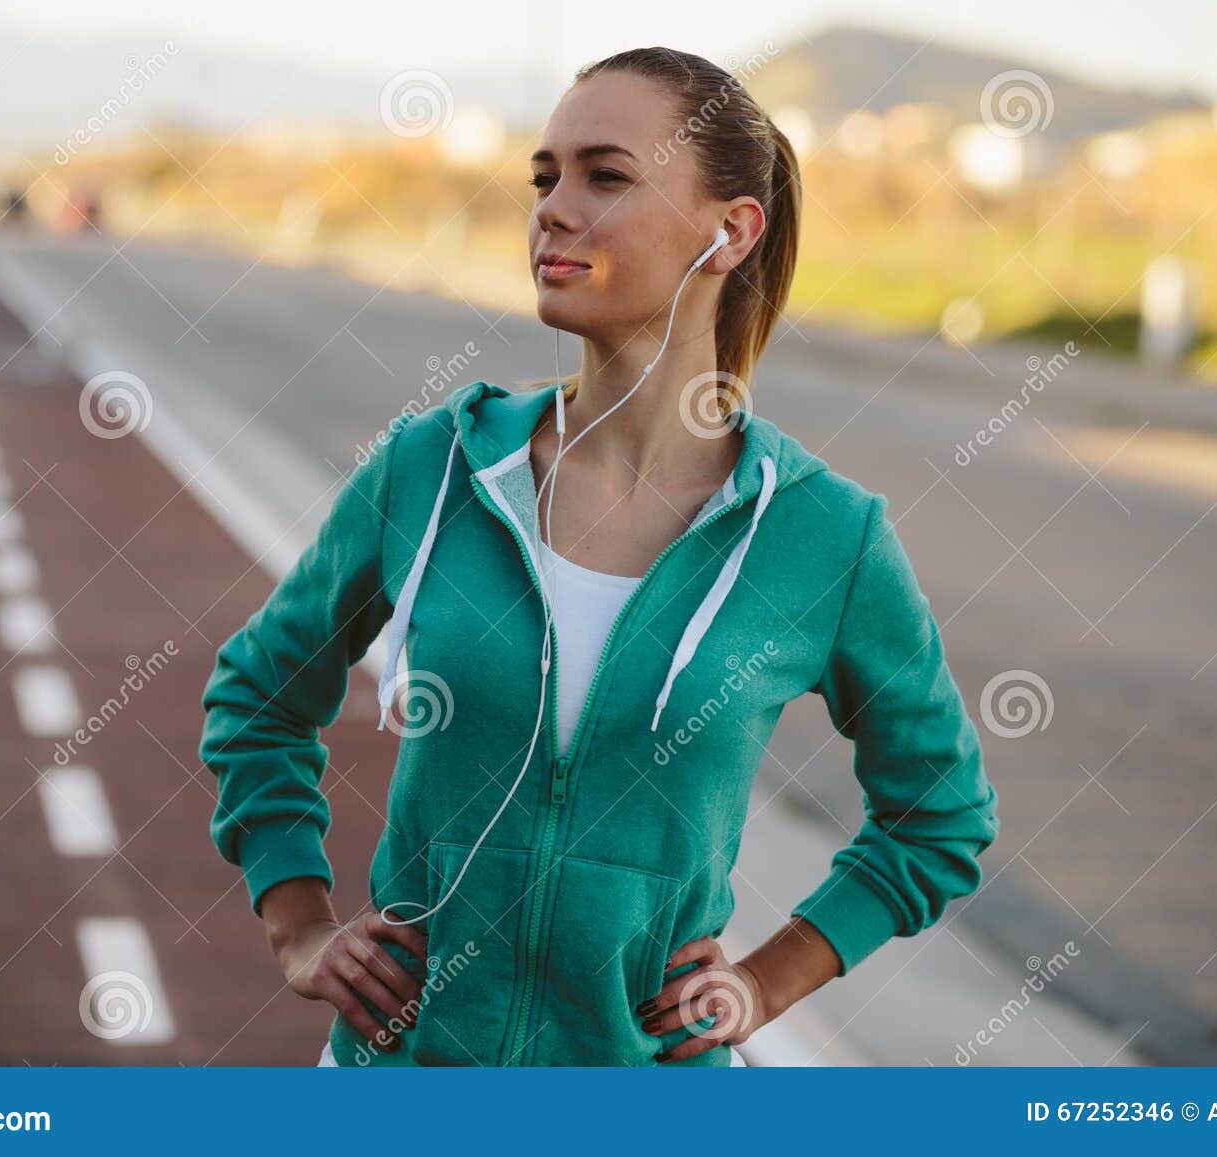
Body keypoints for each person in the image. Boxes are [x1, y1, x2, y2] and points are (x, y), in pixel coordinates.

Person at [199, 46, 999, 1067]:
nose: (553, 209)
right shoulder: (433, 468)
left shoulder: (821, 535)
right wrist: (298, 922)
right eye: (545, 177)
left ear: (731, 229)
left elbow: (938, 812)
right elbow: (261, 694)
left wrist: (767, 978)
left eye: (605, 176)